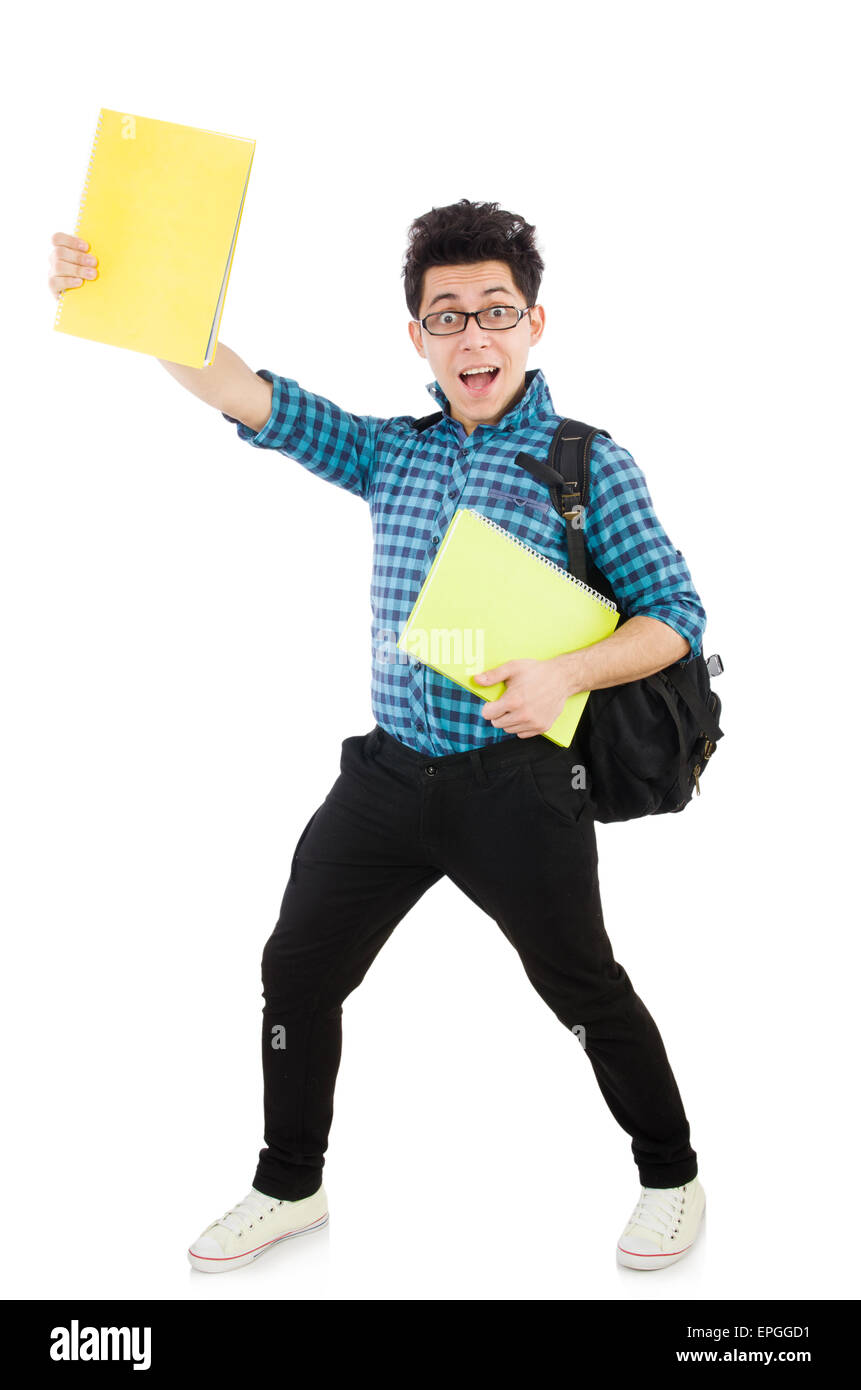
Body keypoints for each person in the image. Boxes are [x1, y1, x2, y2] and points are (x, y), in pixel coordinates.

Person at [48, 199, 708, 1276]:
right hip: (389, 778)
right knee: (295, 971)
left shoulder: (590, 467)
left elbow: (677, 617)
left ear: (535, 323)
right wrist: (124, 287)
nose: (473, 336)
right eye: (447, 317)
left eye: (495, 311)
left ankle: (672, 1175)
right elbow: (241, 390)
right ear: (419, 338)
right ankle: (288, 1183)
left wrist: (569, 672)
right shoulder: (387, 455)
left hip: (521, 784)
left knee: (583, 986)